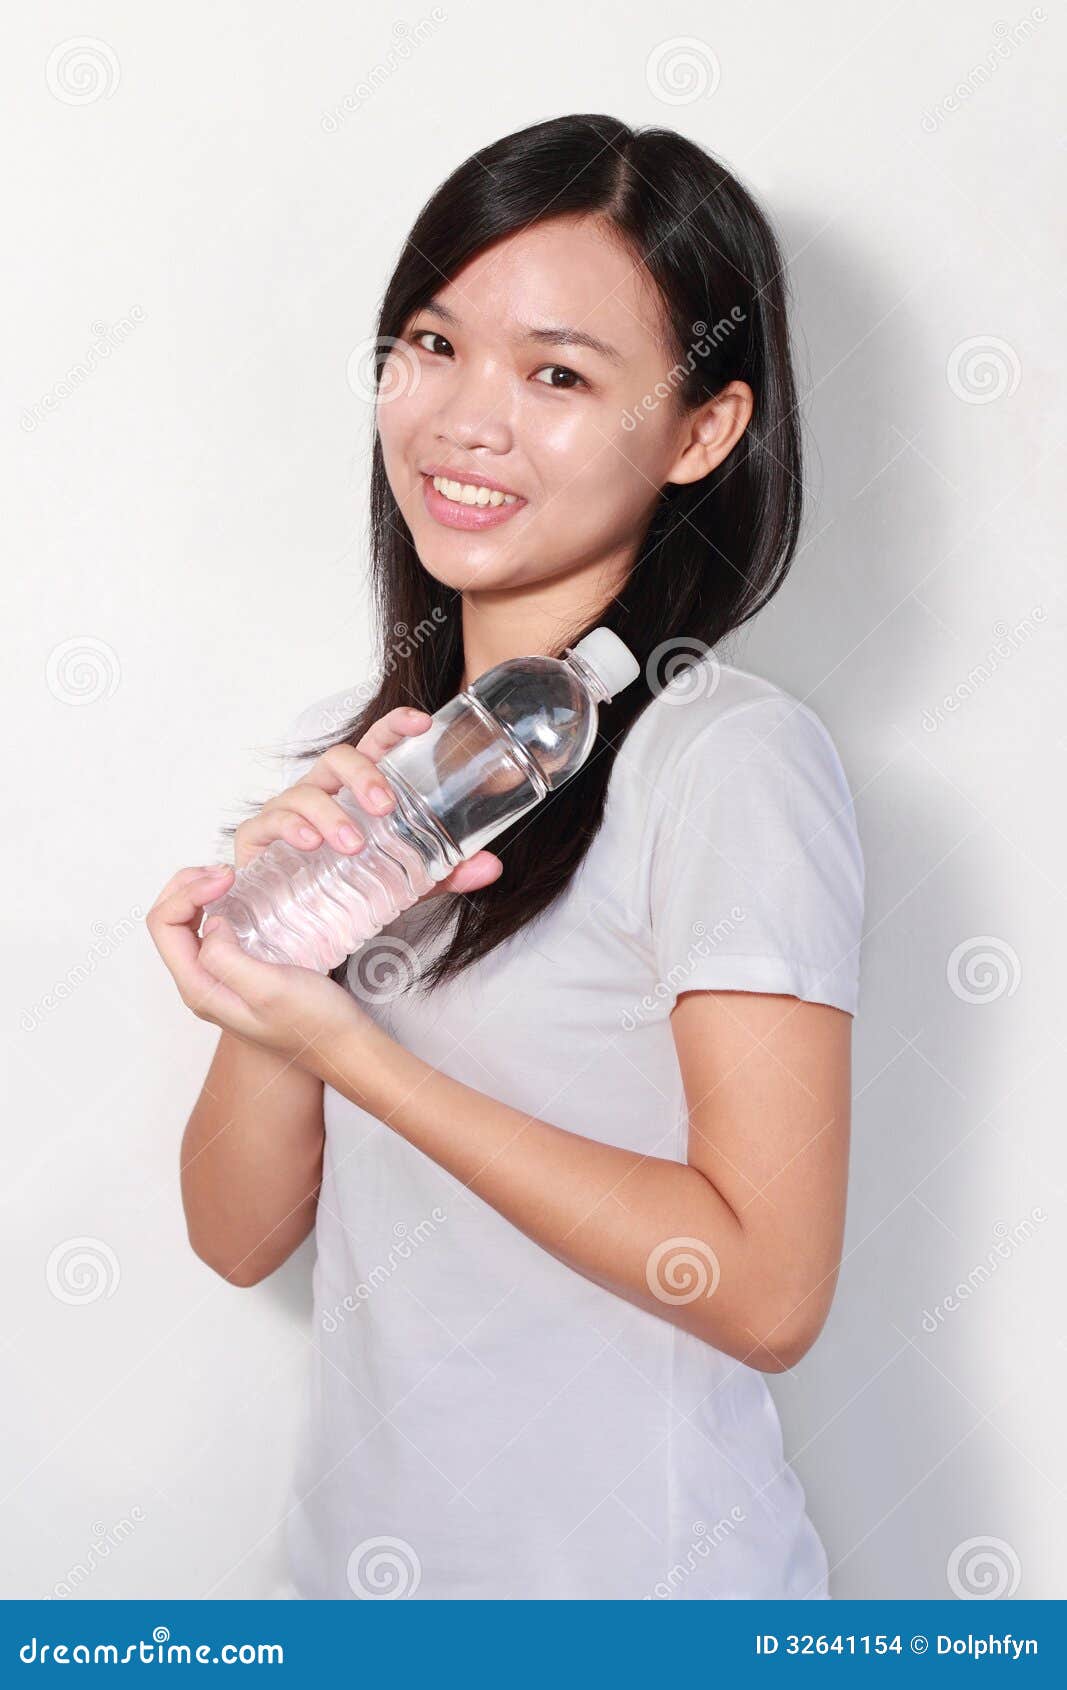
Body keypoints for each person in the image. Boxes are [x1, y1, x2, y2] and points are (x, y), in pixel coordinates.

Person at [148, 114, 865, 1600]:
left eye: (557, 373)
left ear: (702, 429)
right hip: (357, 1598)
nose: (466, 418)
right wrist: (276, 969)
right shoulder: (362, 769)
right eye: (431, 342)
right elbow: (233, 1238)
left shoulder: (724, 759)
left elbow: (766, 1285)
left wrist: (360, 1050)